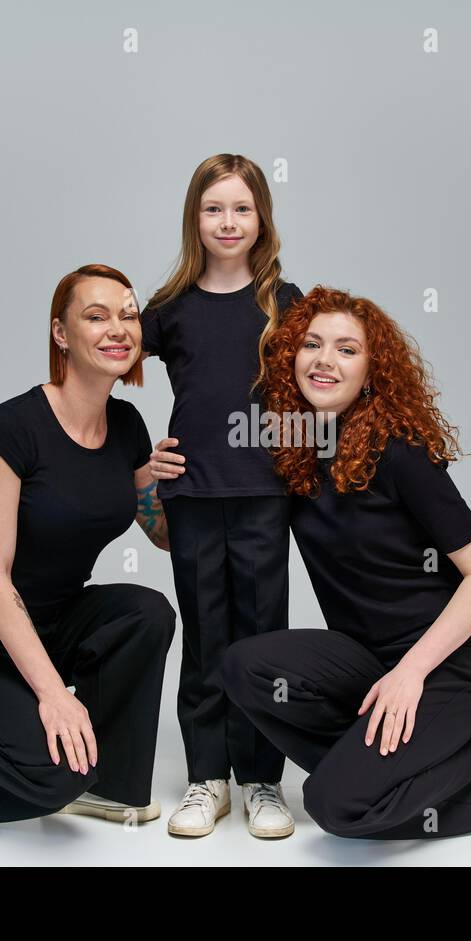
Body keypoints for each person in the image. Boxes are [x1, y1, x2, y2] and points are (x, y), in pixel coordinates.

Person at [213, 285, 471, 838]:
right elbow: (176, 535)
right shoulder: (294, 449)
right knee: (243, 666)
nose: (324, 360)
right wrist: (146, 482)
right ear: (291, 356)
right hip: (367, 661)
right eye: (312, 344)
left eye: (347, 349)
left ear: (372, 371)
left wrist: (411, 673)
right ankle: (376, 769)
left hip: (451, 664)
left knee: (335, 807)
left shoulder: (399, 451)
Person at [0, 264, 177, 827]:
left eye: (127, 315)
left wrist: (163, 483)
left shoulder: (126, 426)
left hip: (56, 624)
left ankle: (109, 783)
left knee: (147, 612)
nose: (116, 329)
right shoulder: (9, 427)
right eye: (95, 316)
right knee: (54, 781)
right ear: (60, 333)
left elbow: (163, 537)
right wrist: (54, 695)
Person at [140, 154, 303, 838]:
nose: (228, 222)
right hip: (193, 496)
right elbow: (96, 365)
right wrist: (136, 466)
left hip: (266, 496)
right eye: (214, 209)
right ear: (194, 219)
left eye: (241, 208)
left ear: (261, 216)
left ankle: (262, 780)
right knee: (206, 637)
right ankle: (207, 777)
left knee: (262, 639)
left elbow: (326, 388)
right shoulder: (169, 309)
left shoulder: (286, 304)